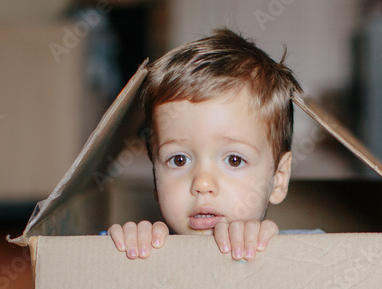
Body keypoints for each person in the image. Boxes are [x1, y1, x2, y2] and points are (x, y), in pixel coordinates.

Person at [107, 28, 302, 261]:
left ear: (278, 178)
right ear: (155, 176)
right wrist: (126, 245)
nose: (202, 183)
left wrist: (272, 246)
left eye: (234, 160)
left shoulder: (306, 250)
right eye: (179, 160)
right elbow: (84, 259)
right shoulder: (147, 246)